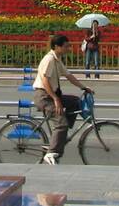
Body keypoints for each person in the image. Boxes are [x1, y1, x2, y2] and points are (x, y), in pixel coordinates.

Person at [33, 34, 94, 165]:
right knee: (61, 123)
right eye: (66, 46)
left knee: (75, 101)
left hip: (51, 95)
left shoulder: (57, 59)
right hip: (44, 96)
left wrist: (84, 87)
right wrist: (55, 99)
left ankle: (61, 136)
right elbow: (45, 81)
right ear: (57, 47)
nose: (69, 48)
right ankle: (51, 153)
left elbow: (69, 76)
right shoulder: (49, 60)